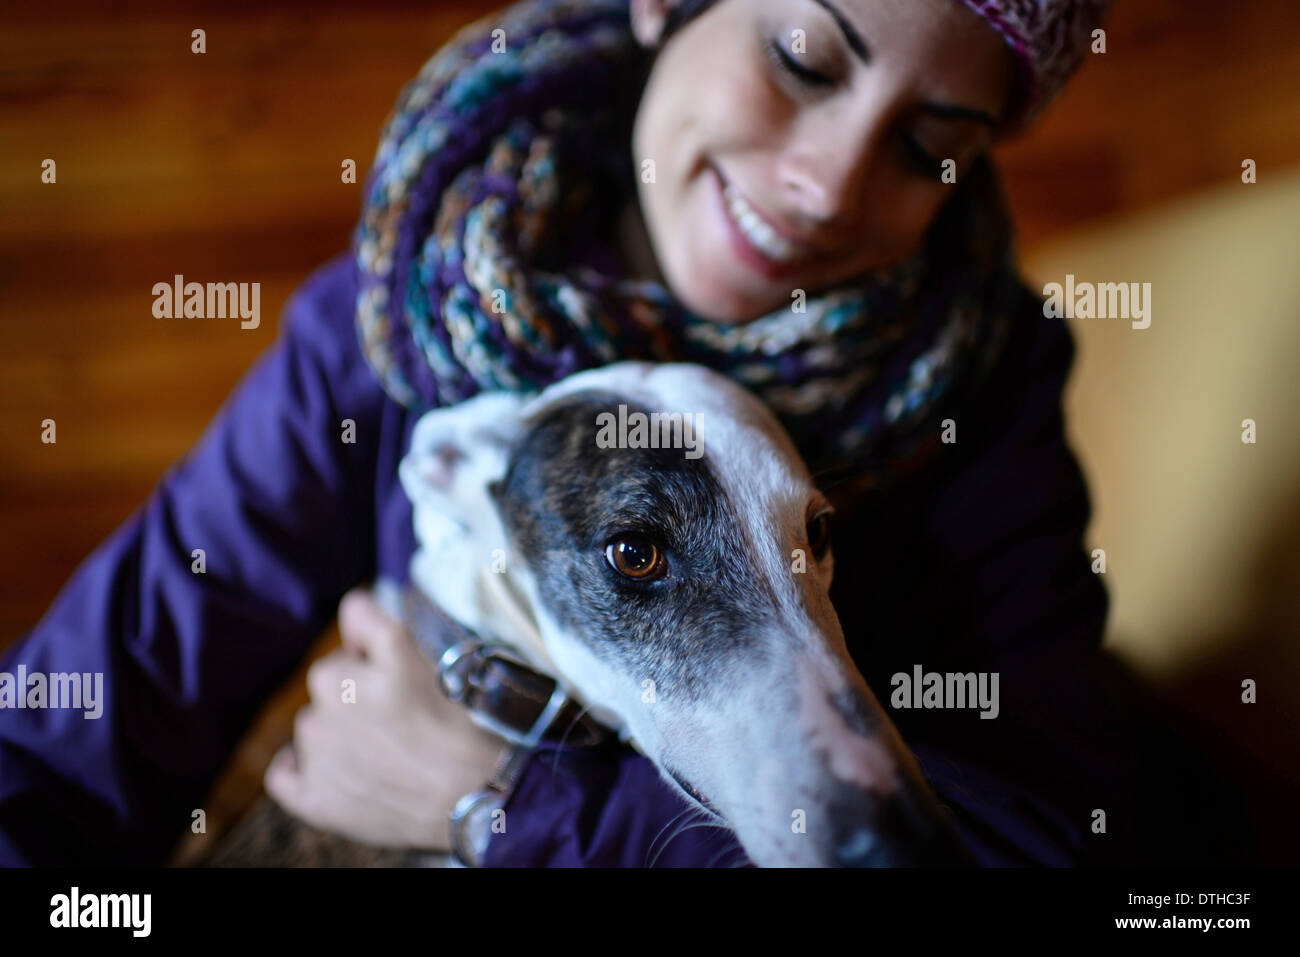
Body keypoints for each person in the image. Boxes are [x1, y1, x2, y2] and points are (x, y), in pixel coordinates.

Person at [0, 0, 1248, 867]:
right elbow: (68, 740)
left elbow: (1064, 848)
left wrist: (507, 810)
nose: (823, 183)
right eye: (805, 56)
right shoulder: (383, 340)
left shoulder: (985, 385)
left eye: (928, 148)